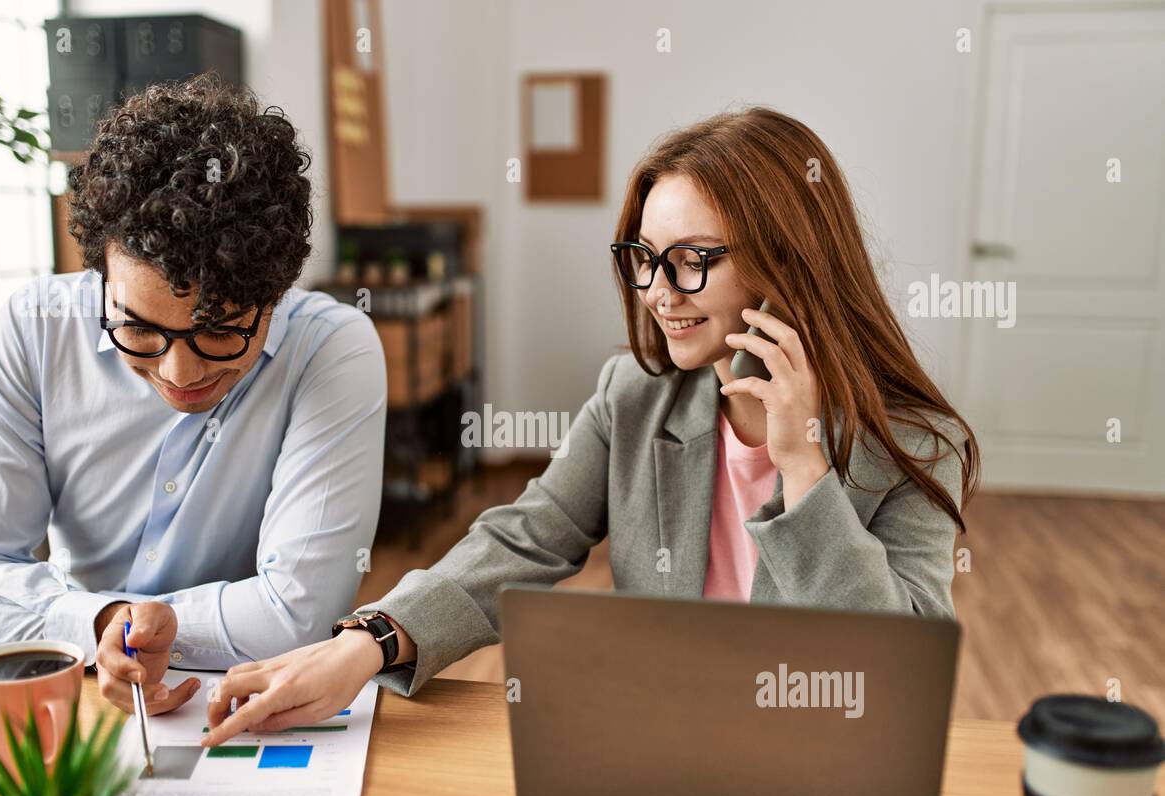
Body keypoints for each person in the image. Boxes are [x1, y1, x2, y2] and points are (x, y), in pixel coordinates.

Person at [199, 106, 979, 745]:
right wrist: (364, 642)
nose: (656, 291)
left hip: (819, 763)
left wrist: (805, 469)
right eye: (643, 257)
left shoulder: (914, 446)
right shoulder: (636, 395)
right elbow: (524, 536)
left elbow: (901, 678)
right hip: (661, 747)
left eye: (691, 260)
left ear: (789, 260)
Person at [0, 77, 386, 716]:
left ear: (276, 296)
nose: (180, 370)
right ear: (101, 275)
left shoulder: (332, 349)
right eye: (139, 327)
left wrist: (113, 624)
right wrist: (101, 622)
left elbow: (300, 613)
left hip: (241, 699)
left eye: (219, 331)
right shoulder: (32, 331)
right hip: (76, 689)